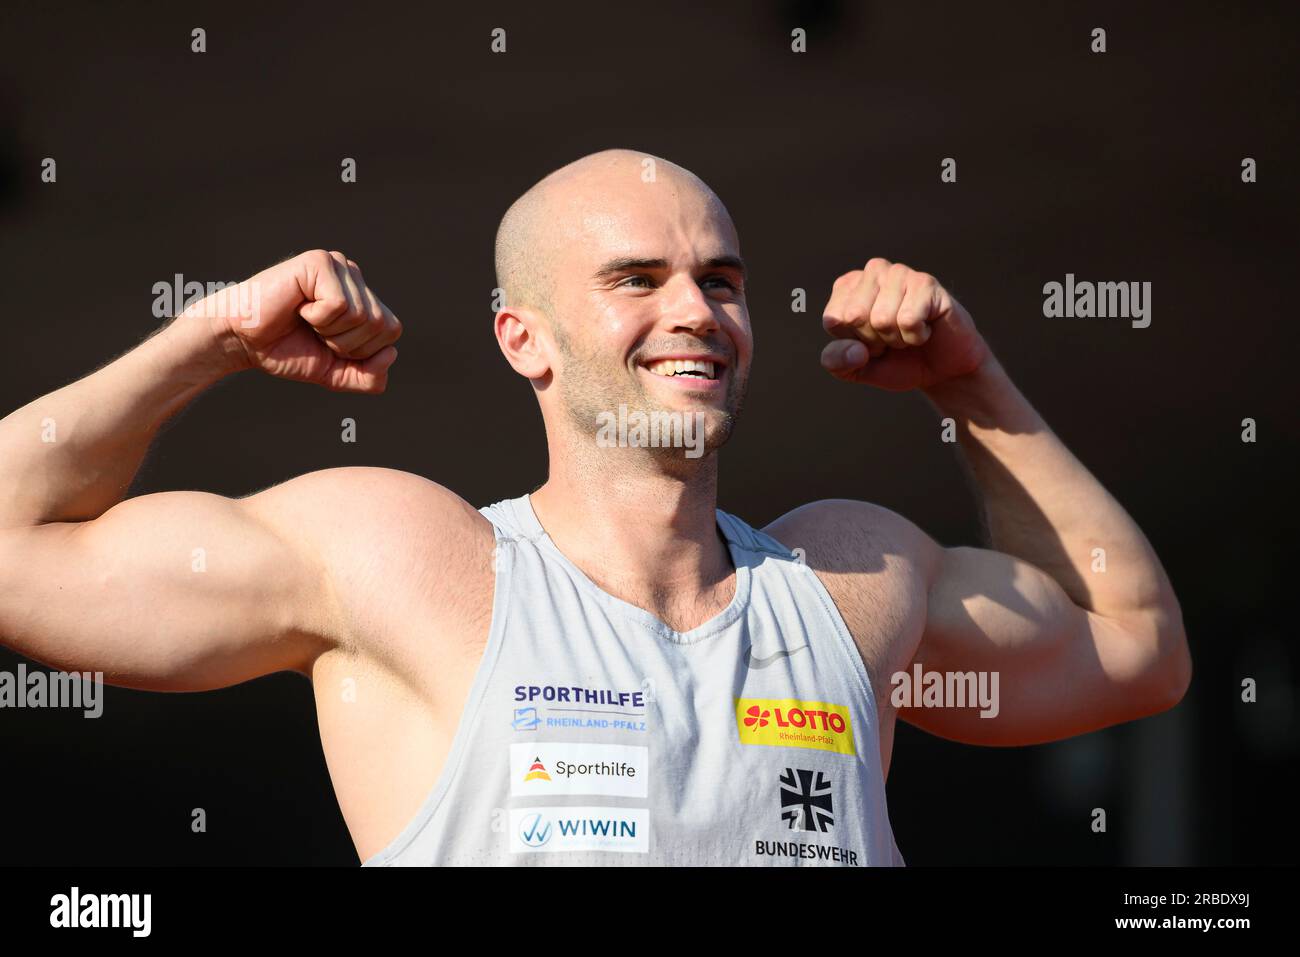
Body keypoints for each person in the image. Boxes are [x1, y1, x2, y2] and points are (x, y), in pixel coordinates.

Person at [0, 149, 1191, 865]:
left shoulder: (847, 578)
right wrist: (204, 341)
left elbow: (1135, 648)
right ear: (525, 338)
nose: (695, 312)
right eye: (636, 278)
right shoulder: (406, 558)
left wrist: (967, 384)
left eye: (718, 281)